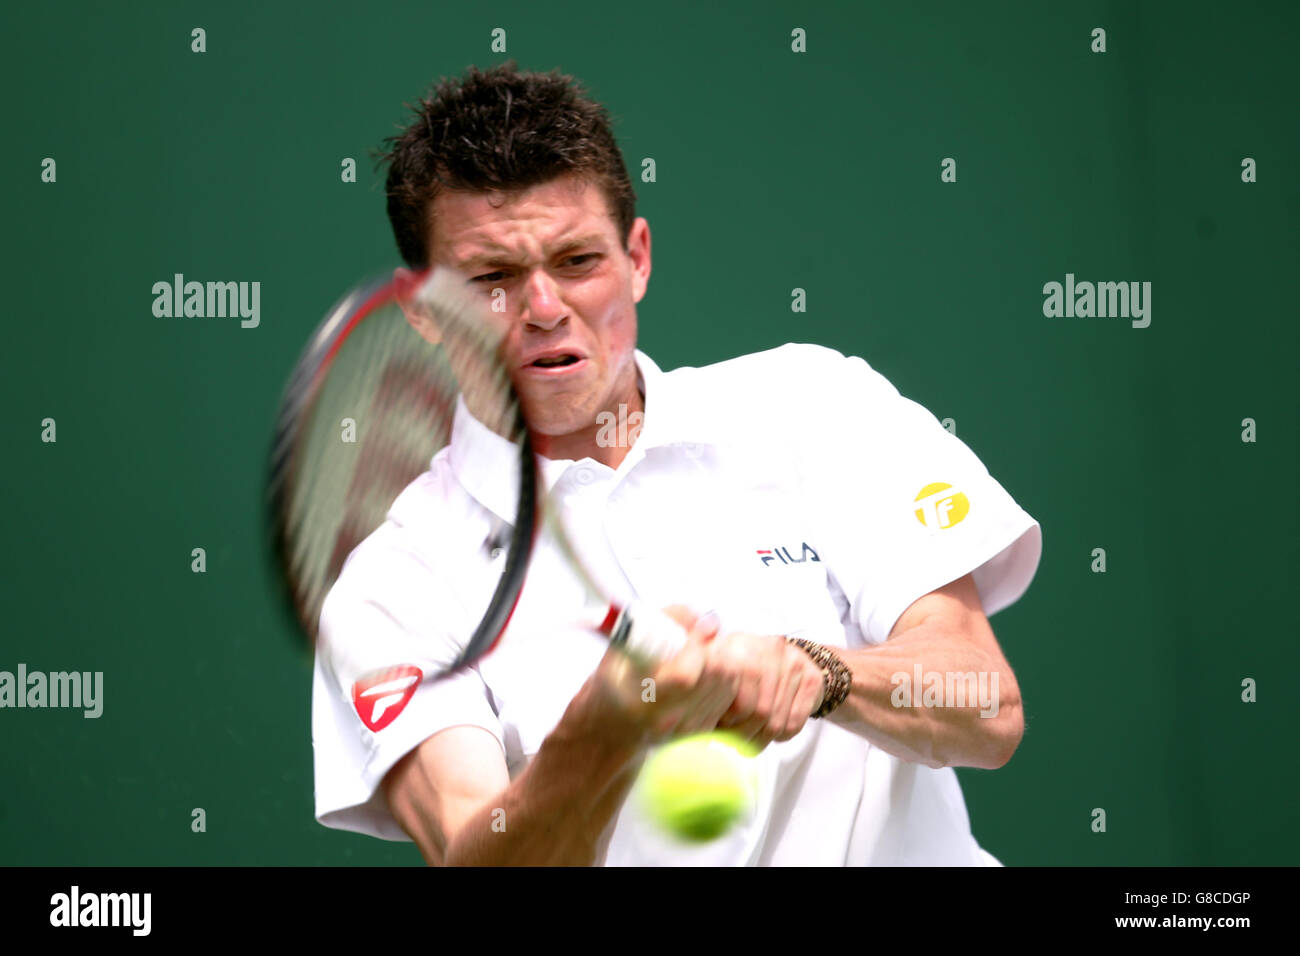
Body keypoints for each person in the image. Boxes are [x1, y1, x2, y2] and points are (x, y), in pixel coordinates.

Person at [311, 61, 1042, 866]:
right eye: (492, 278)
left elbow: (986, 706)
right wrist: (603, 732)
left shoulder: (815, 400)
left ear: (639, 258)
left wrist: (817, 671)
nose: (546, 309)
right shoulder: (390, 591)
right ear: (424, 310)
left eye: (579, 262)